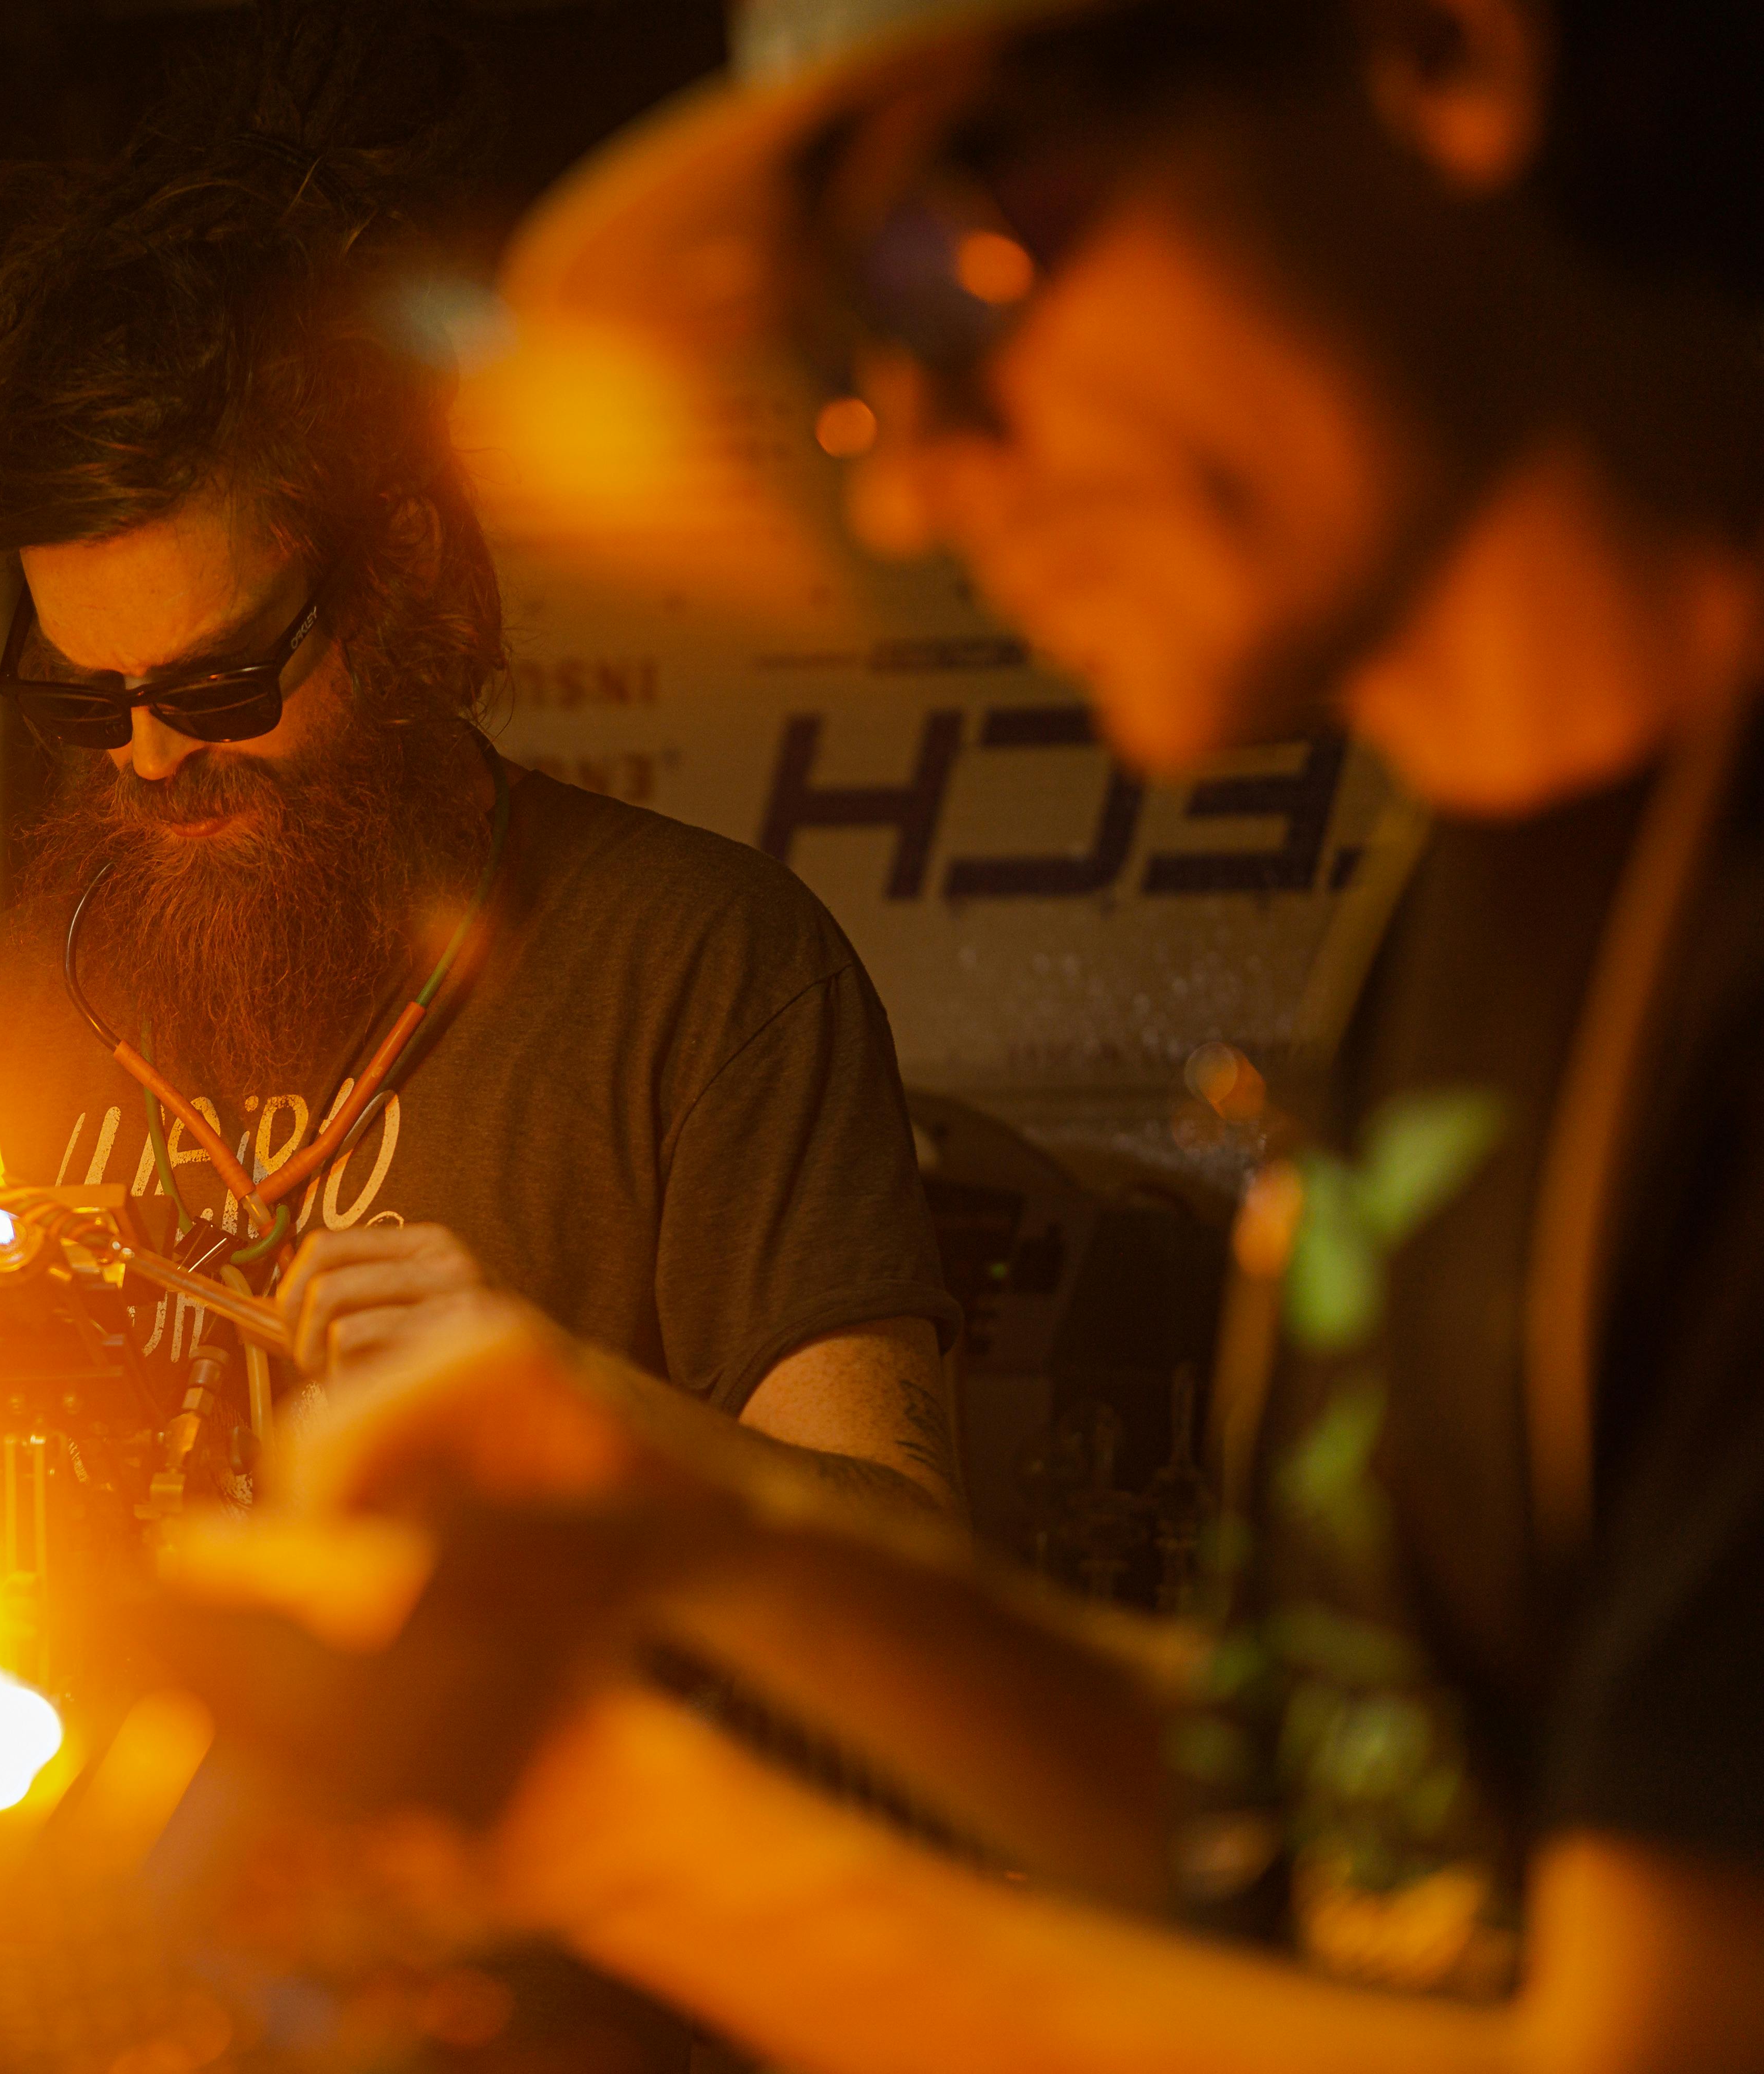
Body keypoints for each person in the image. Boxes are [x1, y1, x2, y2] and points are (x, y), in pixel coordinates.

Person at [200, 0, 1764, 2064]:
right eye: (850, 371)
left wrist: (637, 1852)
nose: (922, 482)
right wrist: (695, 1530)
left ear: (1442, 55)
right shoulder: (1467, 924)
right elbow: (1343, 1865)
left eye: (954, 258)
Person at [0, 20, 963, 1515]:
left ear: (403, 579)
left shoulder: (702, 979)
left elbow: (901, 1566)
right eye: (89, 701)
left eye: (223, 682)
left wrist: (588, 1420)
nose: (158, 755)